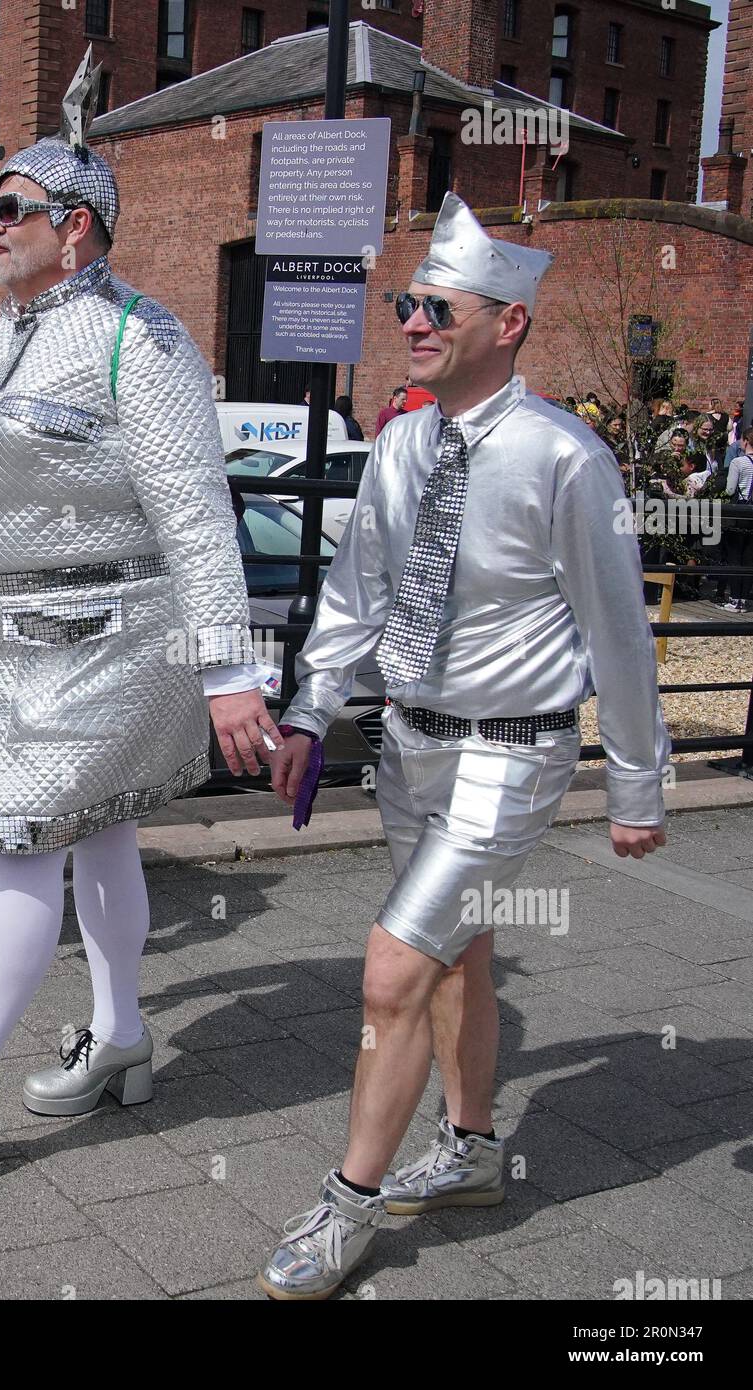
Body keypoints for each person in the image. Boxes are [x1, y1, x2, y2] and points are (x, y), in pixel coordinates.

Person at [0, 49, 279, 1194]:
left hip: (109, 639)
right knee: (97, 832)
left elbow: (198, 512)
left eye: (13, 209)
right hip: (10, 651)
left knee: (17, 845)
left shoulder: (138, 342)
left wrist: (230, 669)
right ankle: (123, 1034)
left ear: (78, 228)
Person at [258, 193, 670, 1300]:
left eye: (437, 306)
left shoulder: (566, 459)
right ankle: (477, 1150)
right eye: (407, 303)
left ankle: (348, 1206)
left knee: (392, 969)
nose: (414, 321)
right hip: (411, 747)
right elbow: (357, 594)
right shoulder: (398, 446)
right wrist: (309, 710)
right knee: (458, 957)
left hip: (510, 754)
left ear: (510, 323)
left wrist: (636, 782)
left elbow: (618, 633)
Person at [720, 427, 753, 612]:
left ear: (745, 441)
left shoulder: (738, 462)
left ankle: (734, 600)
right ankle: (744, 600)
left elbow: (730, 490)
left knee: (735, 556)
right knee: (749, 558)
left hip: (739, 510)